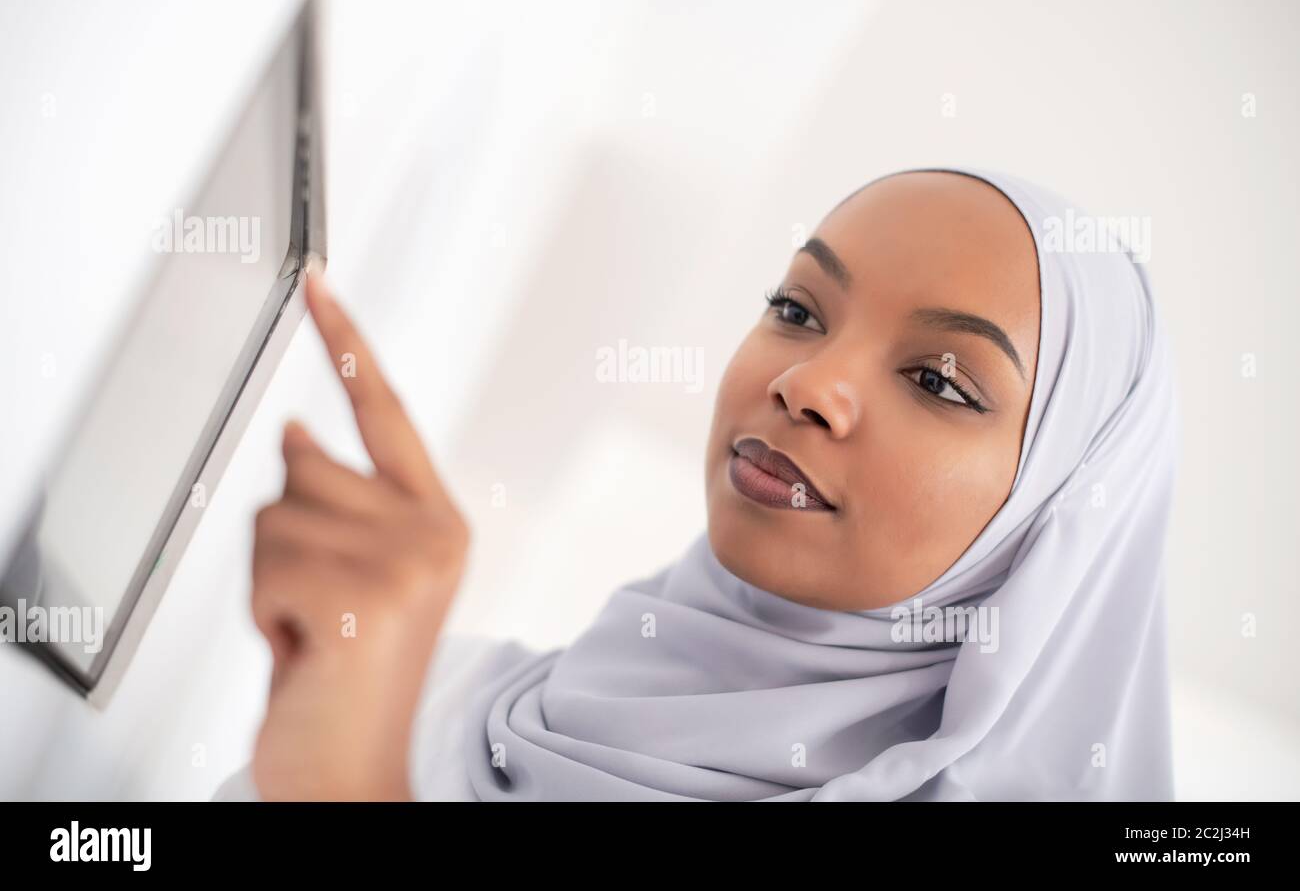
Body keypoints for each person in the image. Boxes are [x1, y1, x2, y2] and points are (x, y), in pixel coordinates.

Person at [214, 166, 1178, 801]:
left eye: (938, 381)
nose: (807, 383)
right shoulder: (446, 684)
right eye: (799, 309)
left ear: (1057, 523)